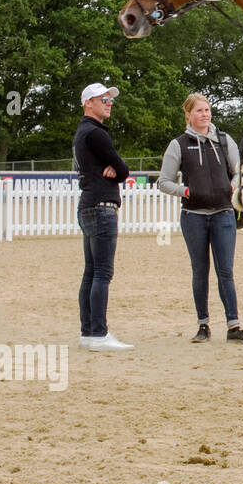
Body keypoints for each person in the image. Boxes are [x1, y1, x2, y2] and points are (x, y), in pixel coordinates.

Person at [158, 94, 243, 344]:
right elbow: (164, 181)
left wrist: (234, 184)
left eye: (207, 110)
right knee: (200, 271)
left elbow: (239, 171)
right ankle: (203, 325)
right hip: (193, 217)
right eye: (200, 111)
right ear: (189, 114)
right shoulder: (178, 144)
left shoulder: (224, 141)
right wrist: (185, 191)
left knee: (226, 271)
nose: (205, 114)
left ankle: (234, 326)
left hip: (224, 214)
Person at [73, 82, 133, 352]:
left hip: (88, 204)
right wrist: (118, 170)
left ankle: (88, 331)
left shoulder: (83, 132)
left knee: (91, 272)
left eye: (110, 100)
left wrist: (117, 169)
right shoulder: (96, 134)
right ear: (89, 103)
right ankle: (98, 332)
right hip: (101, 205)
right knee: (102, 272)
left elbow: (118, 168)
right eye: (104, 99)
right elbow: (122, 168)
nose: (109, 103)